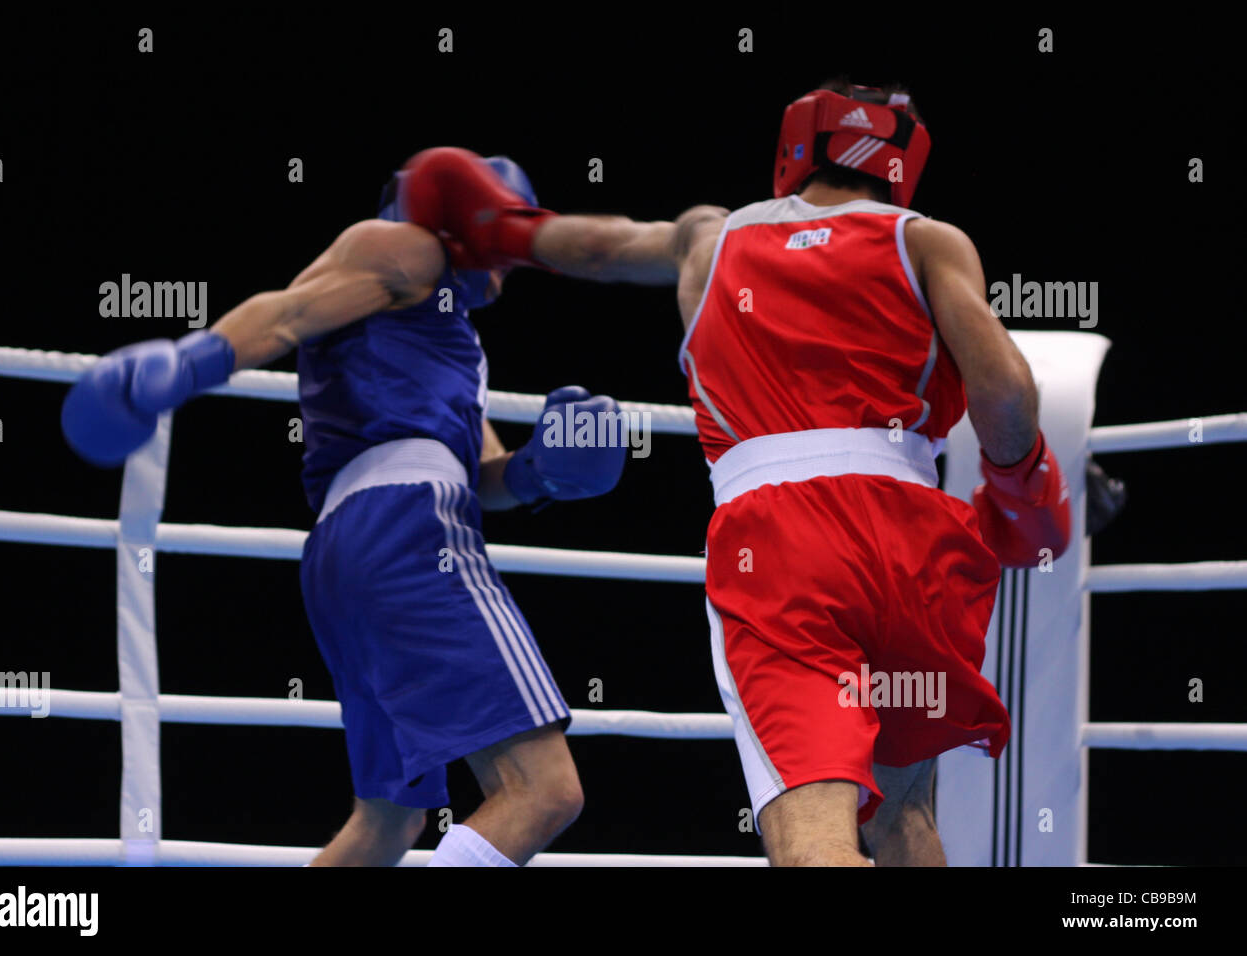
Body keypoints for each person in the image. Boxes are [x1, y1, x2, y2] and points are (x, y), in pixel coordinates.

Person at [397, 81, 1072, 866]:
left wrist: (494, 227)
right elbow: (1006, 391)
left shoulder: (711, 241)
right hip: (917, 543)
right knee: (905, 819)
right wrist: (1025, 494)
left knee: (811, 841)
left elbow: (592, 248)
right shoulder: (928, 240)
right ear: (898, 165)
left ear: (797, 146)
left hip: (784, 548)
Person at [60, 157, 628, 867]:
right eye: (506, 241)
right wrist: (188, 363)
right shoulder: (407, 247)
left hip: (352, 547)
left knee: (387, 825)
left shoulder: (443, 334)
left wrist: (544, 472)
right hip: (412, 531)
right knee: (544, 791)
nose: (511, 268)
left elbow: (484, 480)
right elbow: (285, 314)